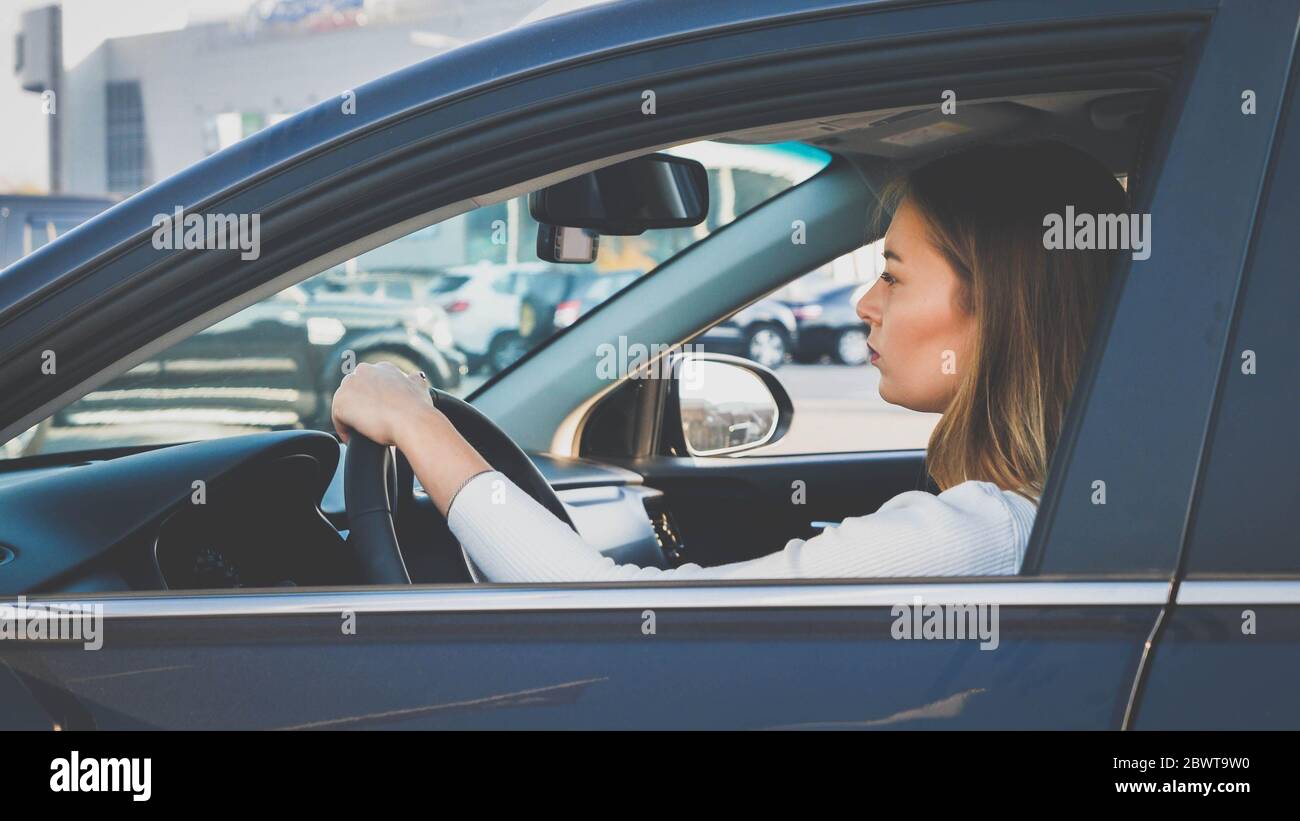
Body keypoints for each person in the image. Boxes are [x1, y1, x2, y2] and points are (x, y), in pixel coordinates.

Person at [329, 140, 1127, 582]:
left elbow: (613, 624)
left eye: (893, 274)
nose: (863, 305)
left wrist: (413, 419)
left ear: (1000, 303)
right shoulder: (1039, 515)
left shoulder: (974, 537)